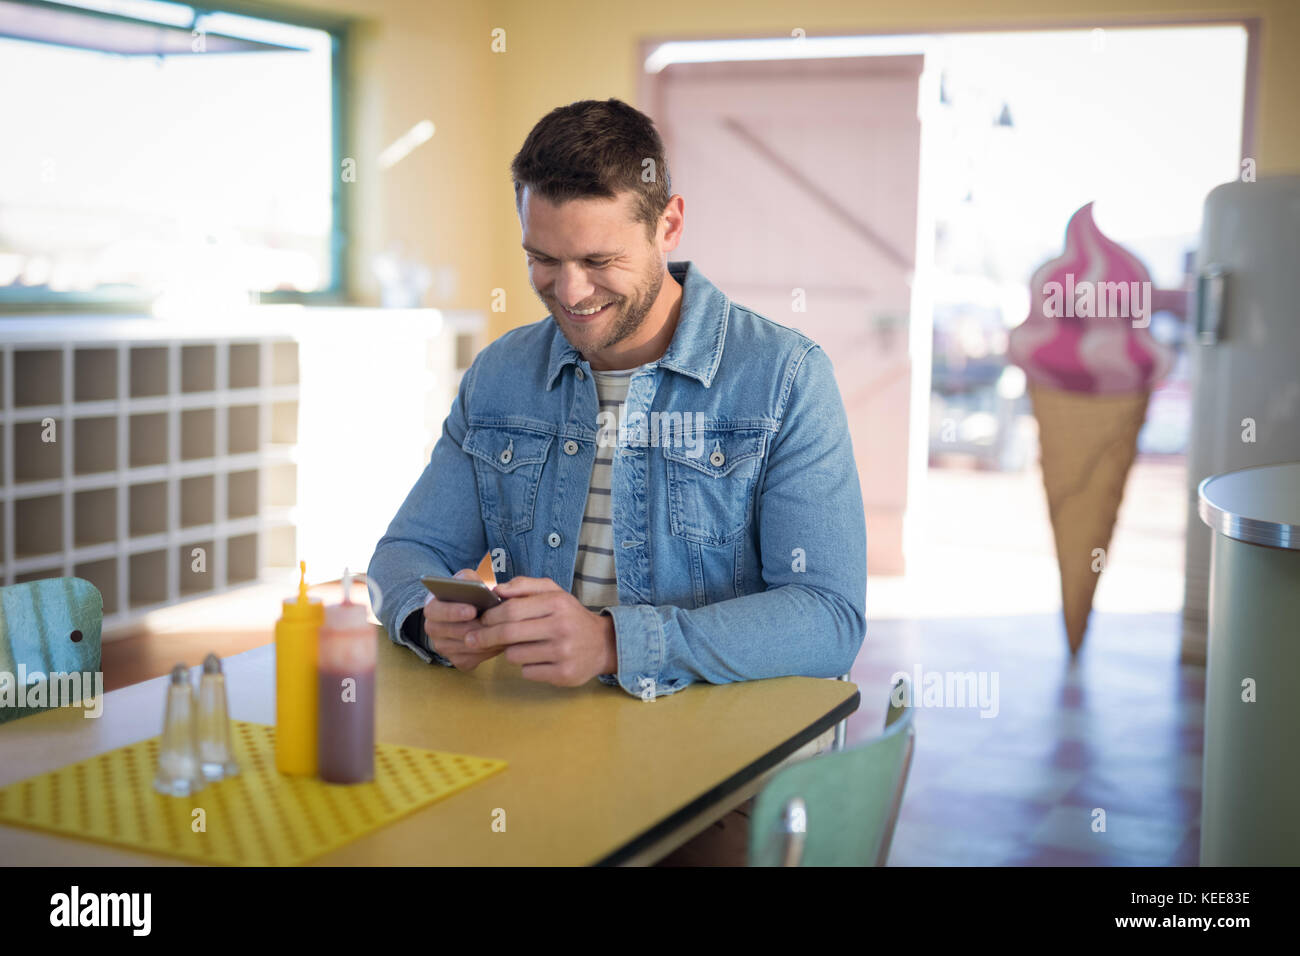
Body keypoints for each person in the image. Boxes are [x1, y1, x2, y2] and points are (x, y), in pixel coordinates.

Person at [367, 97, 866, 864]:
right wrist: (421, 618)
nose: (569, 292)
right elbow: (406, 553)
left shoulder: (784, 378)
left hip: (727, 767)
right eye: (543, 259)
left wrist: (610, 644)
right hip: (541, 740)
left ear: (668, 225)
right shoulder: (503, 374)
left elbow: (828, 615)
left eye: (598, 261)